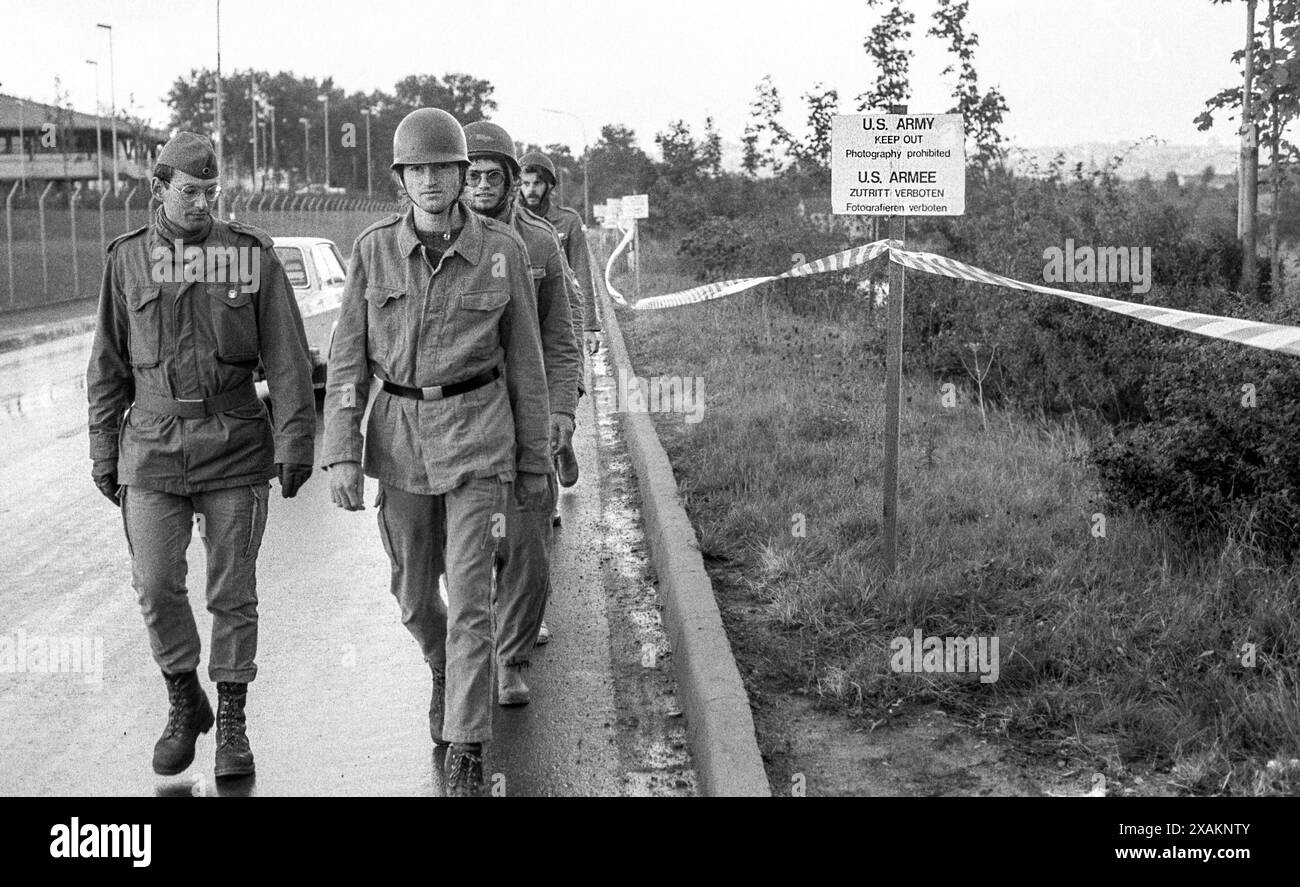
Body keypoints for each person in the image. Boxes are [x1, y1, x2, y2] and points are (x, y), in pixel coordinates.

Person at [322, 108, 551, 797]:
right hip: (399, 441)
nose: (430, 180)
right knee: (417, 596)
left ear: (460, 175)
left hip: (479, 436)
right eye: (416, 170)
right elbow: (345, 360)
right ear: (402, 179)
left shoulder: (503, 249)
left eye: (442, 169)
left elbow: (528, 364)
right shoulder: (372, 252)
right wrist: (339, 449)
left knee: (472, 598)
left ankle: (468, 747)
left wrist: (535, 459)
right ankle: (445, 670)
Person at [86, 131, 315, 780]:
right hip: (153, 444)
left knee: (232, 591)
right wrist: (104, 449)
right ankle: (185, 698)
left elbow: (290, 359)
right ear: (157, 189)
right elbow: (106, 367)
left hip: (235, 442)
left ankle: (233, 719)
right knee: (155, 582)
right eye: (189, 192)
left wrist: (296, 440)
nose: (202, 204)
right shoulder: (127, 262)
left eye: (211, 193)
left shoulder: (249, 257)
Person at [463, 121, 580, 707]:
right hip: (466, 417)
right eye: (473, 173)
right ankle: (483, 649)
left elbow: (561, 333)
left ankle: (511, 656)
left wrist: (563, 408)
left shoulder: (538, 243)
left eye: (494, 175)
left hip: (528, 413)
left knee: (527, 549)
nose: (482, 185)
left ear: (513, 182)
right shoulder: (440, 239)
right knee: (472, 546)